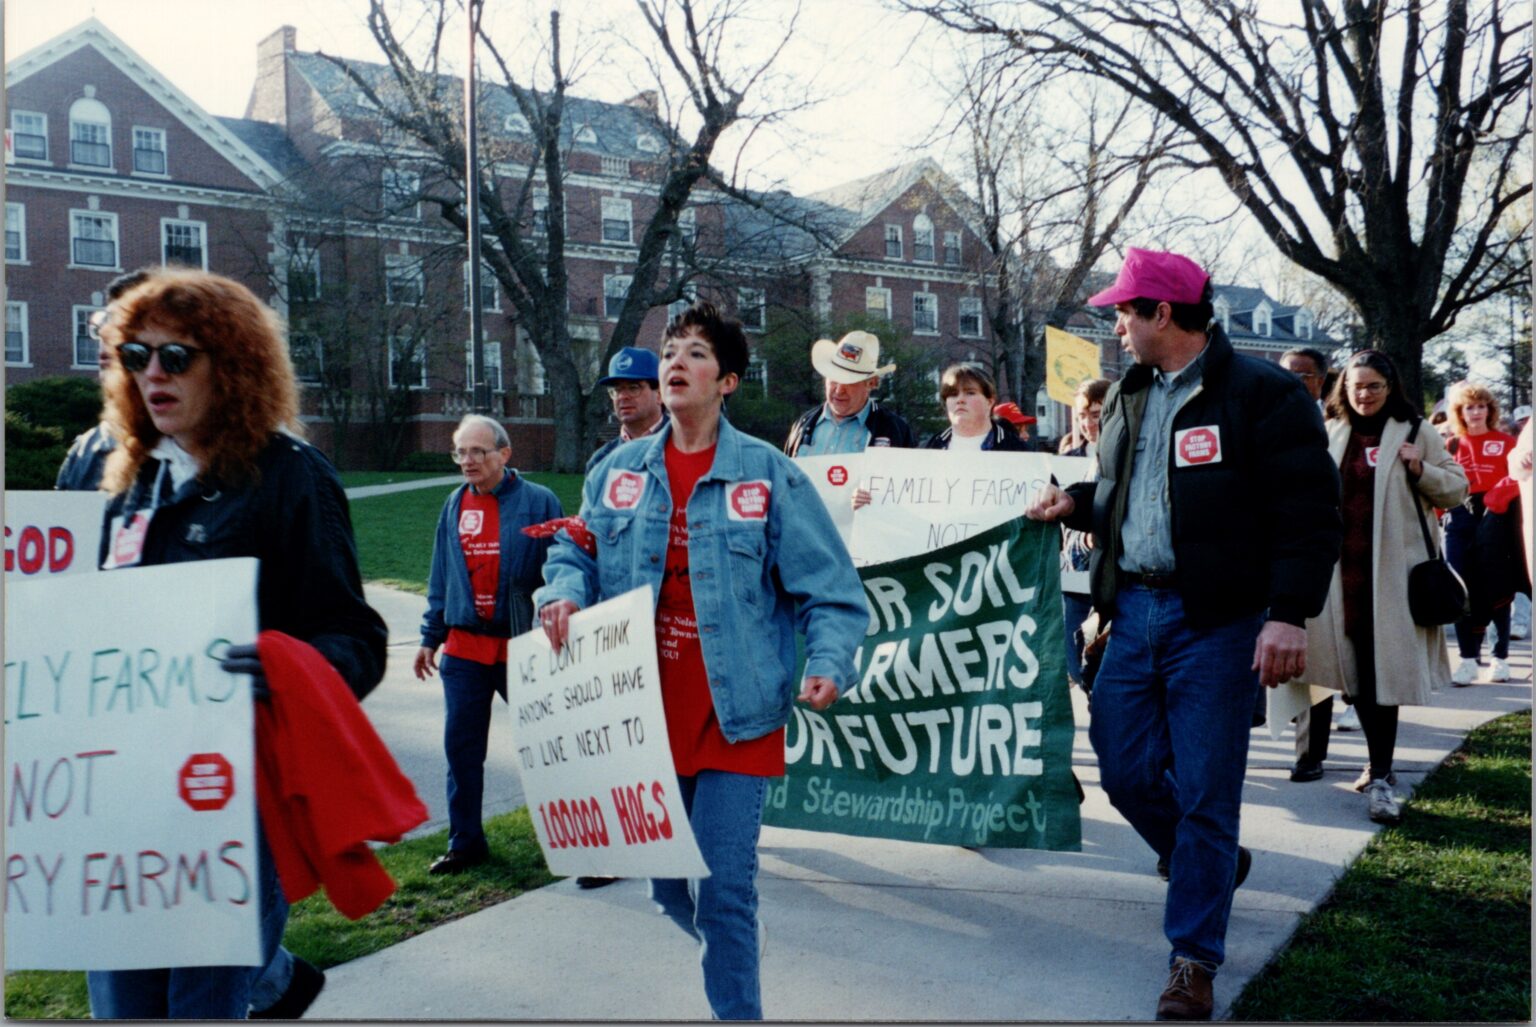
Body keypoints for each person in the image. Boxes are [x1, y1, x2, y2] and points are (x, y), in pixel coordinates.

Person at [1026, 247, 1340, 1021]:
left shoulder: (1264, 395)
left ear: (1163, 313)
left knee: (1206, 787)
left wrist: (1288, 613)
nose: (1118, 327)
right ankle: (1215, 862)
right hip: (1132, 612)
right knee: (1125, 769)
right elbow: (1125, 493)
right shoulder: (1131, 392)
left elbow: (1308, 514)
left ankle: (1193, 957)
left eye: (1126, 313)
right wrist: (1077, 503)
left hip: (1222, 622)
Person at [535, 302, 866, 1020]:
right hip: (642, 720)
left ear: (729, 381)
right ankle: (734, 938)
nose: (676, 363)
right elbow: (575, 547)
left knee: (724, 890)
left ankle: (735, 998)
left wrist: (831, 661)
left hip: (736, 716)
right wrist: (560, 593)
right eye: (670, 352)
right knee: (666, 891)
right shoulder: (617, 471)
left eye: (696, 354)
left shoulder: (770, 475)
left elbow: (833, 591)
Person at [91, 268, 388, 1020]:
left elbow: (356, 635)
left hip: (227, 794)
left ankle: (270, 978)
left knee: (200, 1004)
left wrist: (293, 665)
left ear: (233, 363)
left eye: (176, 356)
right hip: (118, 794)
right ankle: (281, 980)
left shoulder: (290, 477)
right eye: (135, 355)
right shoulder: (116, 478)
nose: (152, 373)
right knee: (122, 1004)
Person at [1291, 350, 1468, 821]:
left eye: (1374, 386)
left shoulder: (1414, 431)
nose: (1364, 394)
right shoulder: (1331, 431)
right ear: (1342, 389)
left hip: (1390, 576)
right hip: (1337, 574)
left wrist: (1421, 468)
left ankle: (1381, 770)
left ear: (1390, 389)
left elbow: (1456, 487)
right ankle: (1321, 756)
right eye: (1356, 386)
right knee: (1341, 672)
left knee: (1377, 675)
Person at [415, 414, 562, 875]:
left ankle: (572, 835)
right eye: (461, 451)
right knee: (461, 749)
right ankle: (465, 842)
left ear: (504, 453)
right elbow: (441, 574)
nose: (468, 461)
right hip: (464, 649)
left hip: (521, 647)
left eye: (478, 451)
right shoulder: (454, 504)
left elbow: (562, 564)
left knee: (549, 745)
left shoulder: (539, 501)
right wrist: (429, 636)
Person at [1277, 347, 1358, 779]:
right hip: (1266, 552)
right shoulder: (1260, 419)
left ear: (1321, 381)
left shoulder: (1336, 429)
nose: (1293, 381)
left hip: (1324, 555)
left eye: (1304, 375)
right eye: (1286, 373)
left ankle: (1310, 754)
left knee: (1316, 660)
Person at [1444, 381, 1519, 685]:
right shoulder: (1450, 444)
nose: (1476, 412)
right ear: (1460, 412)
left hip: (1496, 518)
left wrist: (1498, 497)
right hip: (1459, 517)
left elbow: (1519, 477)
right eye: (1469, 407)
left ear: (1490, 409)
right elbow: (1440, 484)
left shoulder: (1505, 442)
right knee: (1461, 589)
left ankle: (1499, 658)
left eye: (1481, 406)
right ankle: (1467, 659)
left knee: (1497, 588)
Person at [55, 268, 156, 490]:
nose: (105, 337)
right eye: (104, 323)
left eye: (122, 326)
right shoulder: (86, 451)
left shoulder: (212, 452)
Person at [783, 329, 916, 455]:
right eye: (834, 379)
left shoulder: (894, 429)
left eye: (849, 382)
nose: (839, 390)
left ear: (871, 383)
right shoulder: (803, 425)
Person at [1057, 378, 1109, 693]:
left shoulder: (1120, 457)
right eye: (1081, 416)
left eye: (1096, 414)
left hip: (1105, 585)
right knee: (1078, 669)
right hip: (1075, 579)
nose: (1088, 423)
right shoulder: (1081, 460)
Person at [587, 346, 668, 471]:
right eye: (616, 390)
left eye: (633, 388)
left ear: (660, 394)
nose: (622, 397)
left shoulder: (689, 447)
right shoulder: (601, 461)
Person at [922, 362, 1032, 451]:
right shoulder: (927, 449)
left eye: (970, 393)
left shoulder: (1019, 450)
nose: (960, 400)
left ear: (989, 402)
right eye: (953, 394)